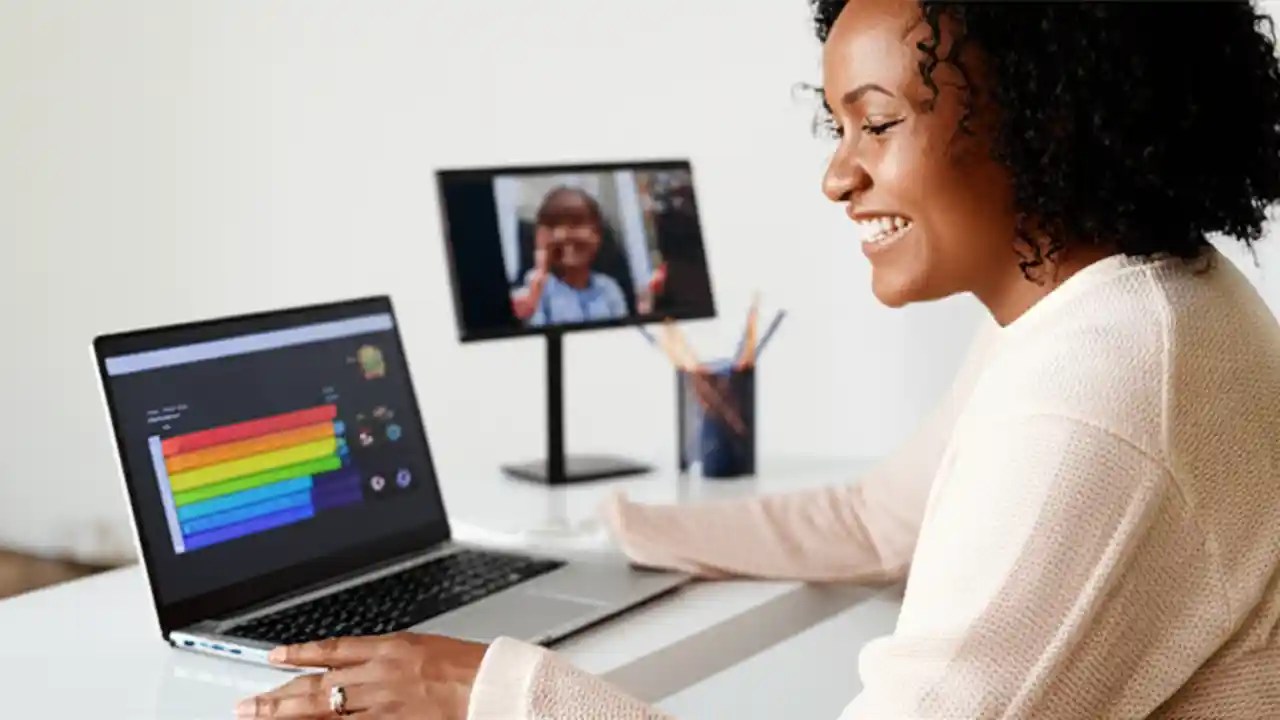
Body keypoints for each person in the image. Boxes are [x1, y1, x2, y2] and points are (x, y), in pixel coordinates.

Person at [236, 0, 1280, 717]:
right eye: (834, 126)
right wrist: (612, 536)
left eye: (873, 123)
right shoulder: (1122, 300)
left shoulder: (1098, 388)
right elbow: (881, 519)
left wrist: (496, 692)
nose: (836, 175)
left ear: (1046, 117)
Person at [510, 186, 630, 327]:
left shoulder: (609, 288)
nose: (562, 235)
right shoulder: (536, 288)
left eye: (576, 223)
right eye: (553, 226)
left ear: (597, 234)